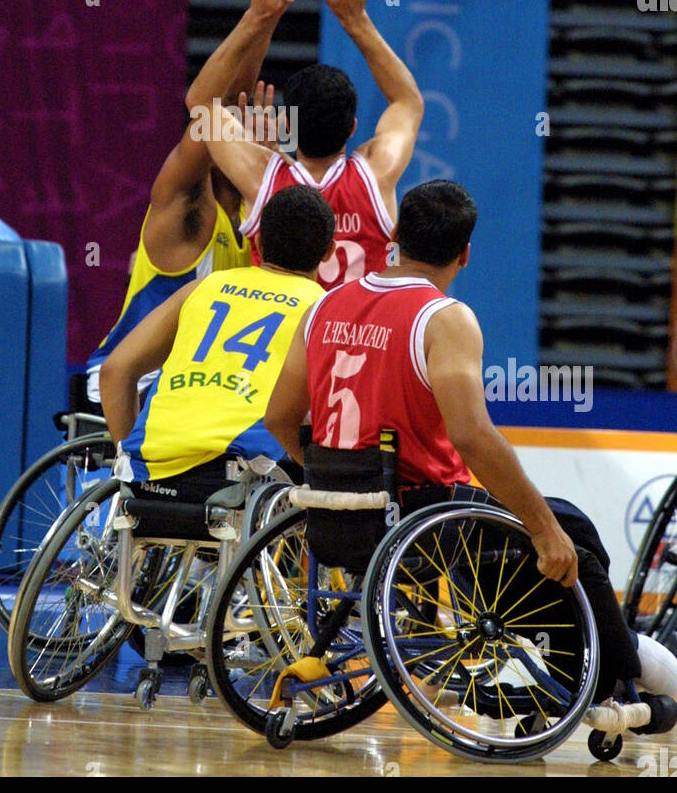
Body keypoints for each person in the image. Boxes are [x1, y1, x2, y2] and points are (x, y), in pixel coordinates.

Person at [265, 178, 677, 708]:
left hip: (331, 519)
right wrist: (544, 528)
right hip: (418, 517)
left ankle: (592, 667)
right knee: (565, 531)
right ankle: (621, 674)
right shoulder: (443, 319)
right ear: (464, 254)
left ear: (394, 234)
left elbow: (279, 417)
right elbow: (473, 437)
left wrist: (331, 481)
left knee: (549, 533)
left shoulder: (325, 307)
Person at [86, 0, 309, 406]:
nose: (247, 139)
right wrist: (259, 17)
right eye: (237, 134)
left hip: (199, 395)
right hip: (132, 389)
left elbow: (227, 113)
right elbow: (210, 110)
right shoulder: (188, 211)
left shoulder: (261, 230)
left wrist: (269, 18)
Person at [192, 0, 424, 292]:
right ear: (353, 128)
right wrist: (355, 19)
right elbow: (407, 101)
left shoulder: (262, 178)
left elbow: (201, 103)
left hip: (284, 345)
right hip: (353, 347)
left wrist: (259, 14)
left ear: (288, 125)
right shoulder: (376, 173)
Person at [99, 186, 333, 489]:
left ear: (258, 241)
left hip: (152, 470)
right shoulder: (324, 308)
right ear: (329, 251)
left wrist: (131, 460)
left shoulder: (203, 288)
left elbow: (114, 371)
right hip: (237, 474)